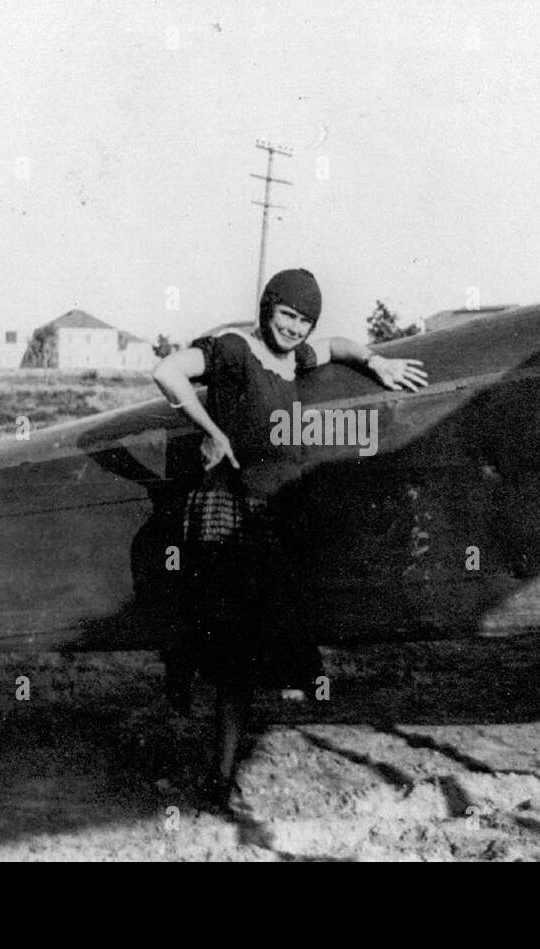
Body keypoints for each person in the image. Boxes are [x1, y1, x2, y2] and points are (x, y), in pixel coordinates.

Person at [152, 268, 428, 810]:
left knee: (253, 651)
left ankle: (222, 758)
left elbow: (339, 346)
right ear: (267, 309)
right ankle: (221, 773)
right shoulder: (234, 349)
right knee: (230, 651)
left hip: (275, 515)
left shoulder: (293, 358)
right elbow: (167, 371)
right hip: (230, 511)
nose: (295, 328)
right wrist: (213, 432)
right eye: (287, 316)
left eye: (304, 320)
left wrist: (376, 362)